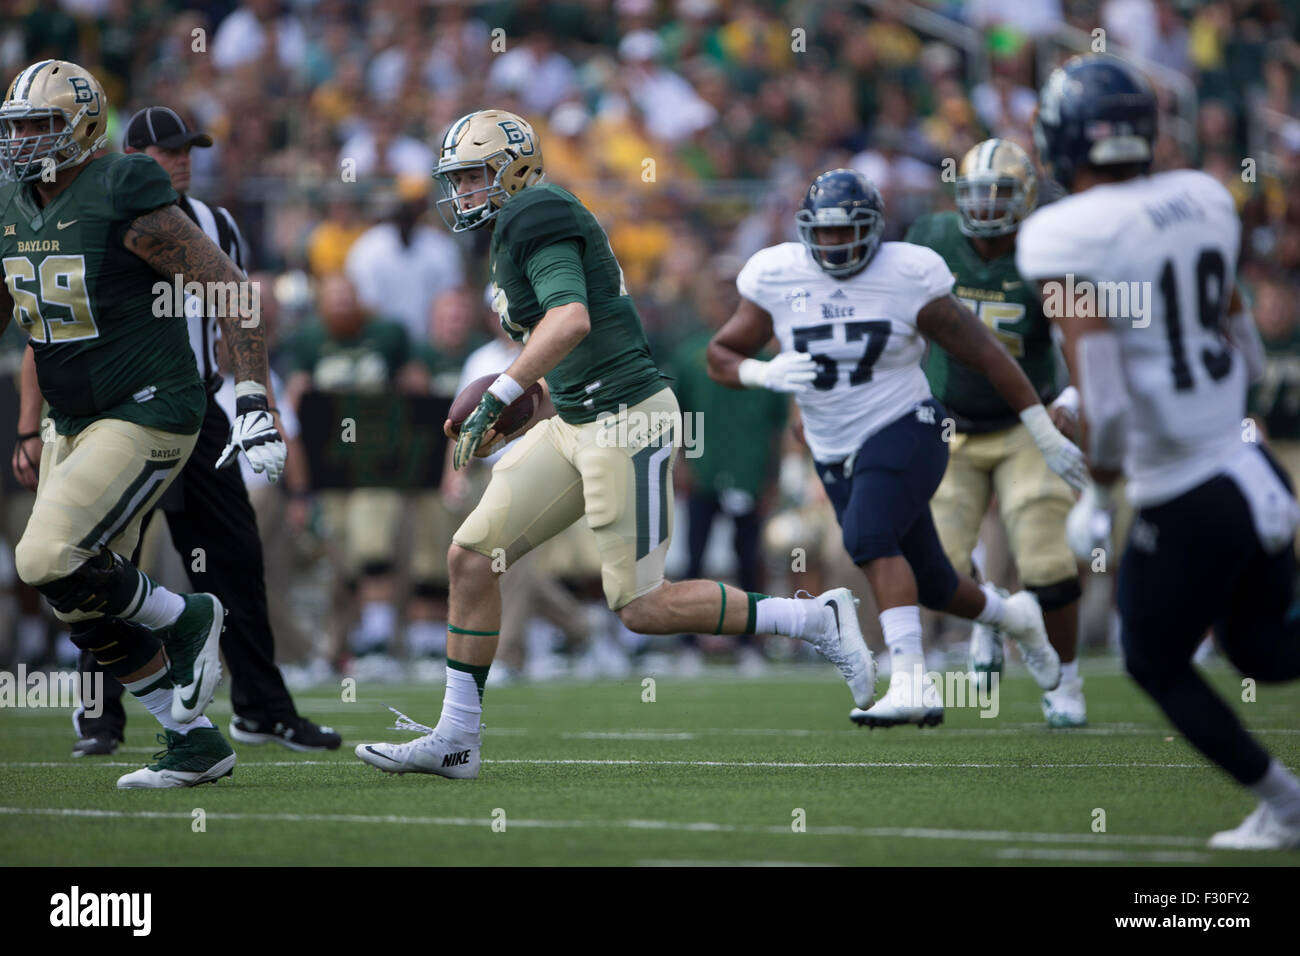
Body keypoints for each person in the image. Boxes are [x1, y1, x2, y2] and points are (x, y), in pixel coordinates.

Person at [355, 109, 873, 779]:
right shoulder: (519, 227)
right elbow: (565, 358)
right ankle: (456, 737)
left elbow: (570, 320)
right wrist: (521, 408)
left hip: (627, 420)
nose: (466, 192)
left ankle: (814, 621)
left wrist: (498, 394)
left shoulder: (533, 213)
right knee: (472, 557)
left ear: (515, 169)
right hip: (574, 419)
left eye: (477, 176)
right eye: (459, 180)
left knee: (641, 607)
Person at [1019, 53, 1300, 849]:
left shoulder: (1061, 234)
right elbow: (1239, 336)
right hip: (1250, 466)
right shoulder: (1205, 196)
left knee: (1153, 656)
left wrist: (1098, 496)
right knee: (1267, 652)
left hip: (1185, 496)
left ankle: (1286, 806)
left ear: (1063, 141)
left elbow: (1107, 398)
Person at [707, 167, 1087, 728]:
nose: (836, 243)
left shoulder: (906, 273)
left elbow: (986, 354)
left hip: (909, 424)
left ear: (874, 228)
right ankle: (1016, 616)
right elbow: (720, 355)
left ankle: (910, 679)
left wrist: (1041, 425)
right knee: (933, 580)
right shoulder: (776, 274)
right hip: (832, 446)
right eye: (826, 232)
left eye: (847, 231)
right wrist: (765, 373)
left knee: (867, 536)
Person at [0, 60, 286, 788]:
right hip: (74, 418)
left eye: (41, 125)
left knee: (42, 557)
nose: (26, 141)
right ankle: (191, 738)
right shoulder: (10, 203)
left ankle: (188, 617)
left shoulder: (123, 187)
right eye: (18, 128)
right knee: (83, 592)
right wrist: (31, 426)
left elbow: (229, 288)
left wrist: (252, 392)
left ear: (85, 126)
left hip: (149, 408)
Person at [54, 106, 339, 757]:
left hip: (199, 411)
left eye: (189, 150)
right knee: (109, 563)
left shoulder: (217, 223)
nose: (184, 160)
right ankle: (100, 718)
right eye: (170, 150)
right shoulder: (96, 221)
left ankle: (263, 708)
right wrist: (31, 428)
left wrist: (252, 400)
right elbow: (60, 329)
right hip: (121, 410)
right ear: (133, 157)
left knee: (237, 560)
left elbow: (233, 314)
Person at [905, 138, 1087, 727]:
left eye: (999, 193)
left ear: (1027, 197)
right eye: (975, 192)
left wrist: (1073, 398)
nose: (984, 206)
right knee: (940, 571)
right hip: (948, 423)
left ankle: (1065, 681)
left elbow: (1079, 333)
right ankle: (997, 615)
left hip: (1024, 424)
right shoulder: (932, 238)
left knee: (1046, 560)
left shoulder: (1047, 251)